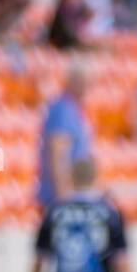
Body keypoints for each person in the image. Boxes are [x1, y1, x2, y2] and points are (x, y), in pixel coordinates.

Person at [37, 59, 94, 210]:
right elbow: (57, 153)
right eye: (84, 82)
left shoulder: (74, 109)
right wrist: (63, 197)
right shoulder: (63, 109)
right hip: (61, 197)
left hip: (75, 195)